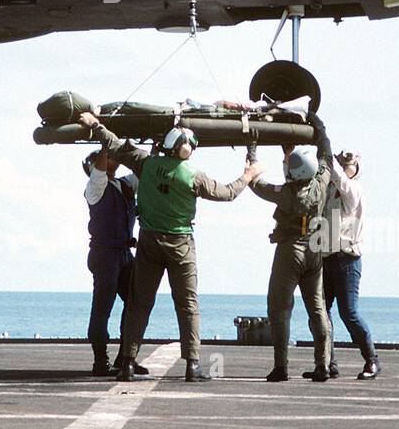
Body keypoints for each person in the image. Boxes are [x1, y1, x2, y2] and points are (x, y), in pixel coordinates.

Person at [78, 111, 262, 381]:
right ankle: (192, 365)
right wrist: (248, 175)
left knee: (139, 303)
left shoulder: (146, 165)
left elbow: (116, 144)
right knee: (187, 305)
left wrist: (95, 124)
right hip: (180, 244)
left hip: (148, 243)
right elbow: (227, 193)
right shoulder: (193, 176)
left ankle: (127, 361)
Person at [249, 112, 334, 382]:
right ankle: (323, 365)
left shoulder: (287, 194)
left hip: (290, 252)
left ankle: (281, 367)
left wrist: (252, 148)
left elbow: (256, 183)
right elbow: (326, 156)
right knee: (317, 309)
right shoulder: (320, 183)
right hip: (315, 251)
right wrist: (318, 125)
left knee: (279, 308)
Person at [80, 146, 148, 377]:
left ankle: (125, 357)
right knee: (102, 309)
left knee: (135, 304)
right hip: (105, 254)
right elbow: (101, 164)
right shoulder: (95, 187)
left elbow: (144, 170)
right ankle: (100, 361)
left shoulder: (123, 185)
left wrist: (156, 149)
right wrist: (107, 145)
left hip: (123, 254)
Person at [318, 148, 380, 379]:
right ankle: (327, 363)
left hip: (347, 258)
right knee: (322, 313)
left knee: (349, 313)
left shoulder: (353, 190)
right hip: (326, 257)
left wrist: (326, 148)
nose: (344, 163)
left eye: (350, 161)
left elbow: (339, 177)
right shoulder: (329, 189)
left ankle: (371, 360)